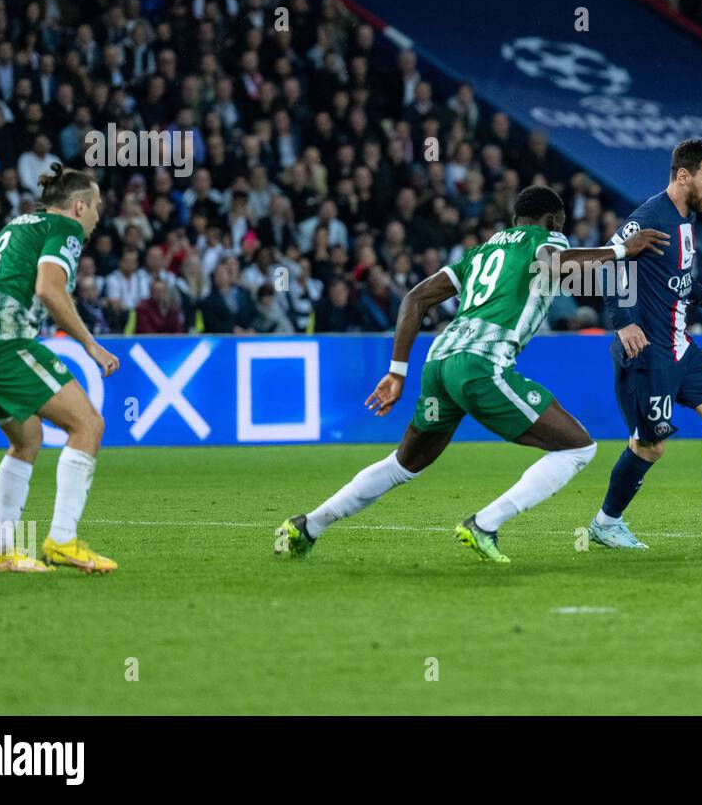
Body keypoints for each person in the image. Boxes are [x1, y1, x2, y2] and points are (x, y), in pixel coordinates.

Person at [274, 186, 668, 563]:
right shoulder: (546, 241)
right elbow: (553, 263)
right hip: (482, 362)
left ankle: (309, 526)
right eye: (560, 224)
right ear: (551, 220)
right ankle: (484, 525)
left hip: (440, 360)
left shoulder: (478, 253)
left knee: (404, 463)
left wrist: (397, 371)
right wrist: (620, 249)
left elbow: (415, 298)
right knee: (578, 447)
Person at [0, 166, 120, 573]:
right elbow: (47, 288)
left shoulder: (23, 222)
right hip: (0, 338)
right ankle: (62, 540)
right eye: (95, 207)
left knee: (27, 440)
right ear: (78, 205)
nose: (97, 216)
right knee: (88, 425)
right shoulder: (67, 229)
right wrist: (89, 344)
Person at [590, 139, 702, 549]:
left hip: (679, 344)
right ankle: (606, 522)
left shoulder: (686, 219)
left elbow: (678, 279)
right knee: (650, 445)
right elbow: (608, 263)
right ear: (683, 175)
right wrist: (623, 323)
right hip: (647, 352)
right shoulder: (649, 217)